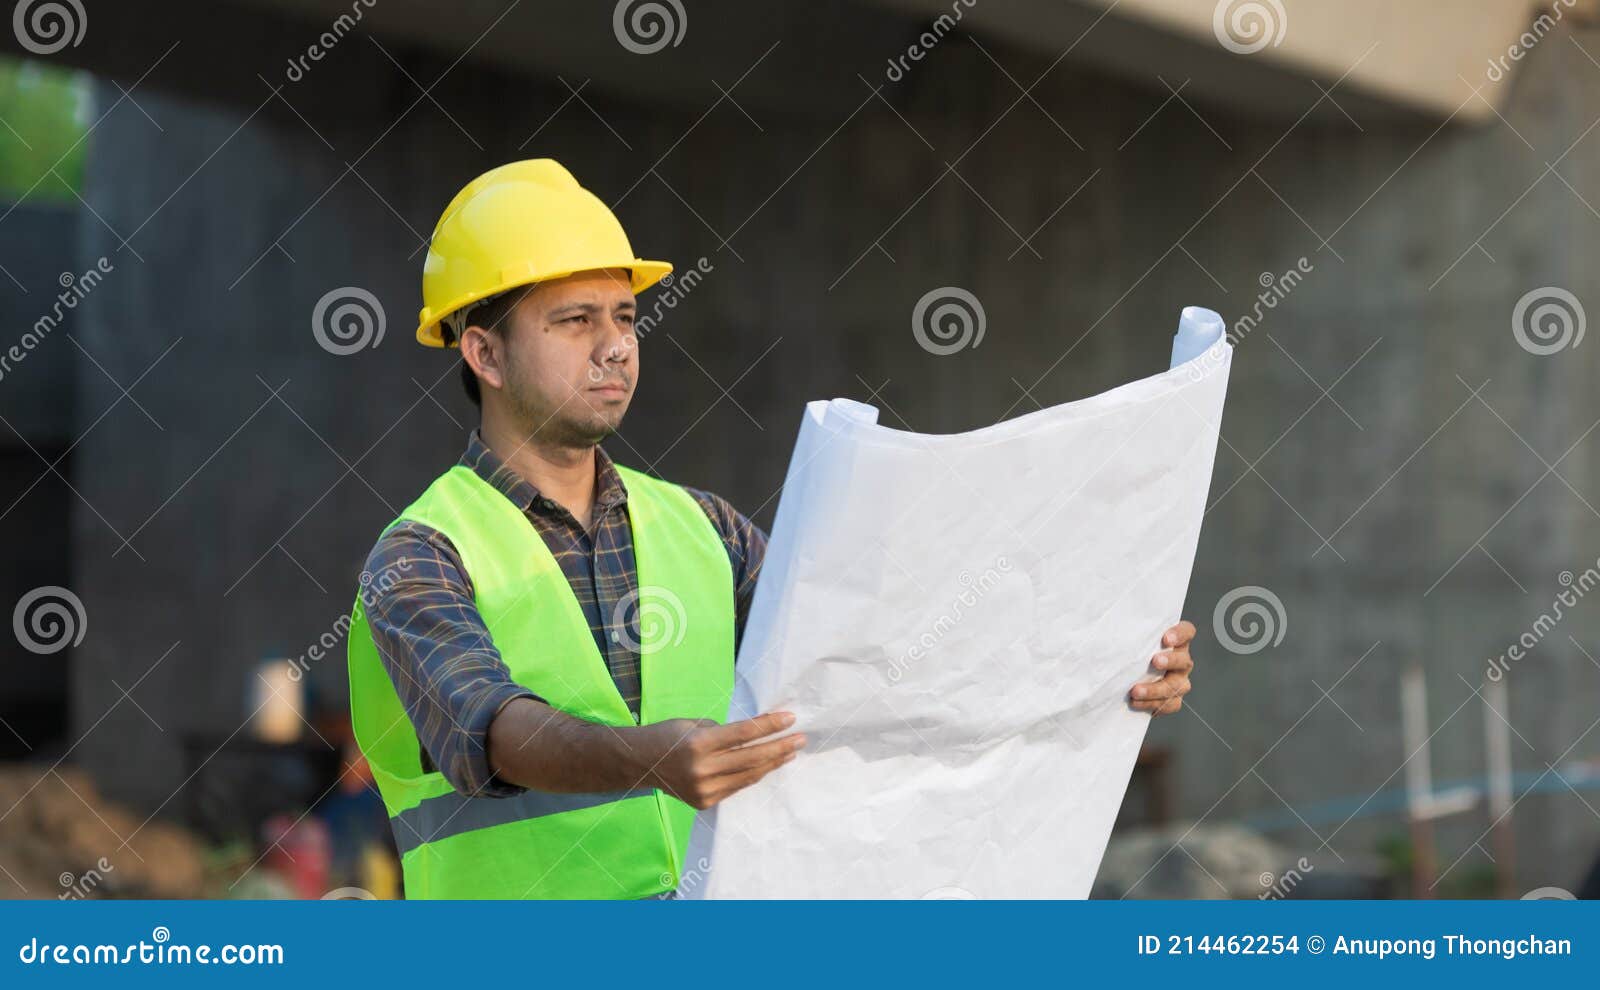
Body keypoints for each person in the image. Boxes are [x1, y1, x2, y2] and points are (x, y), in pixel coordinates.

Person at [347, 159, 1199, 899]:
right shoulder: (420, 557)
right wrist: (651, 759)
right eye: (575, 320)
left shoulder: (706, 530)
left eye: (625, 316)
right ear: (484, 355)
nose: (615, 346)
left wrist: (1100, 668)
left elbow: (887, 670)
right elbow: (490, 730)